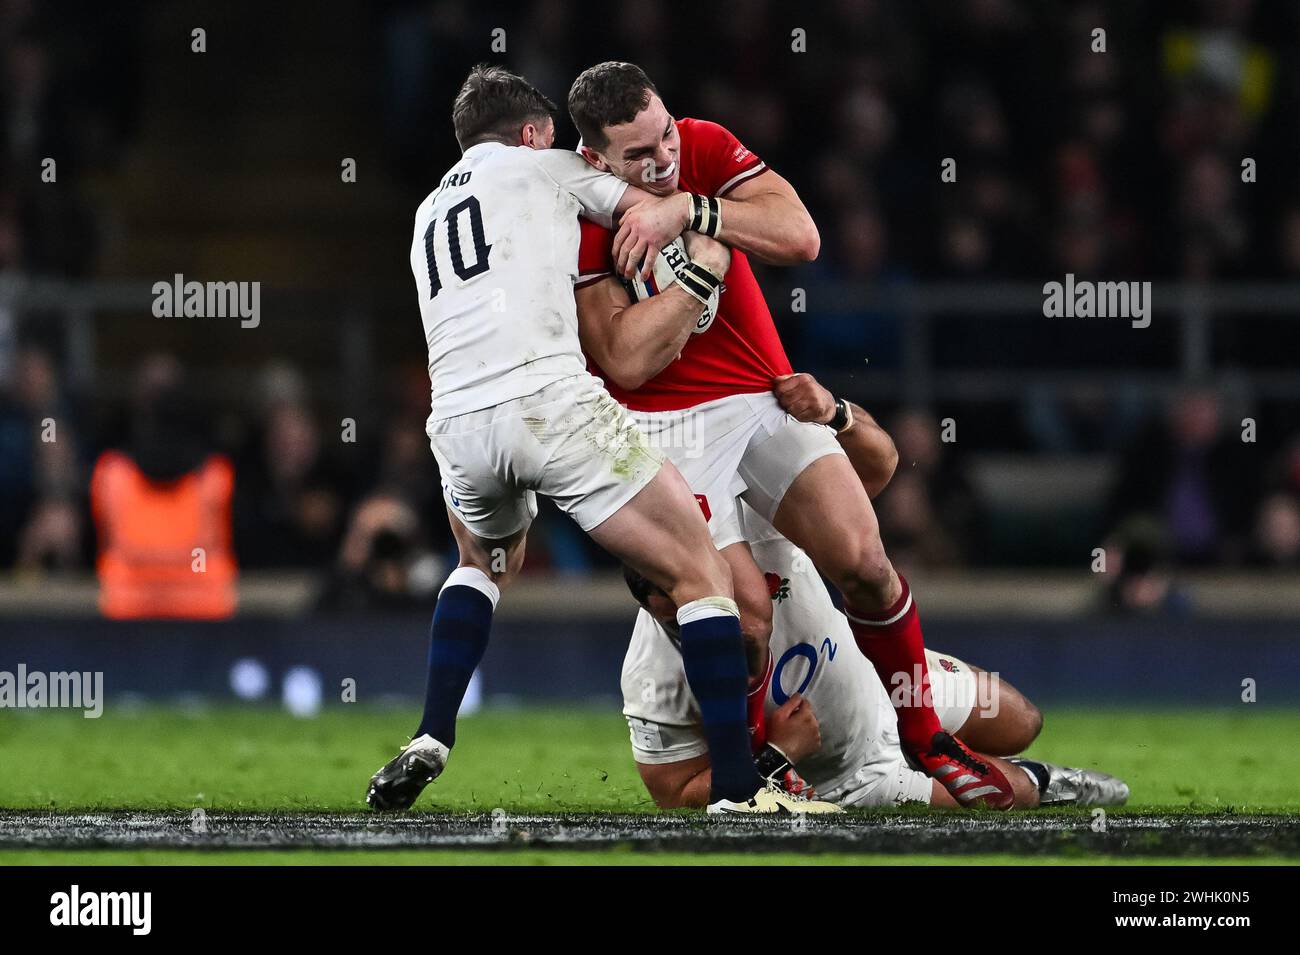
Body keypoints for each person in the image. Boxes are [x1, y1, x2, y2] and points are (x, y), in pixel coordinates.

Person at [366, 65, 836, 815]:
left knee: (482, 563)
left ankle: (432, 733)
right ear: (529, 134)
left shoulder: (426, 209)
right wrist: (703, 248)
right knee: (700, 573)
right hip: (547, 399)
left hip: (456, 420)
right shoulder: (548, 169)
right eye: (551, 134)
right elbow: (649, 214)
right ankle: (740, 789)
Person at [568, 61, 1014, 807]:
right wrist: (701, 277)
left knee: (867, 559)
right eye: (639, 156)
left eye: (665, 136)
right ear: (595, 160)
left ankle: (926, 736)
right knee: (744, 615)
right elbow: (625, 360)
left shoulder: (701, 148)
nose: (663, 159)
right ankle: (750, 776)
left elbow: (801, 237)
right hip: (663, 428)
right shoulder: (578, 214)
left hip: (758, 393)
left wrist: (691, 211)